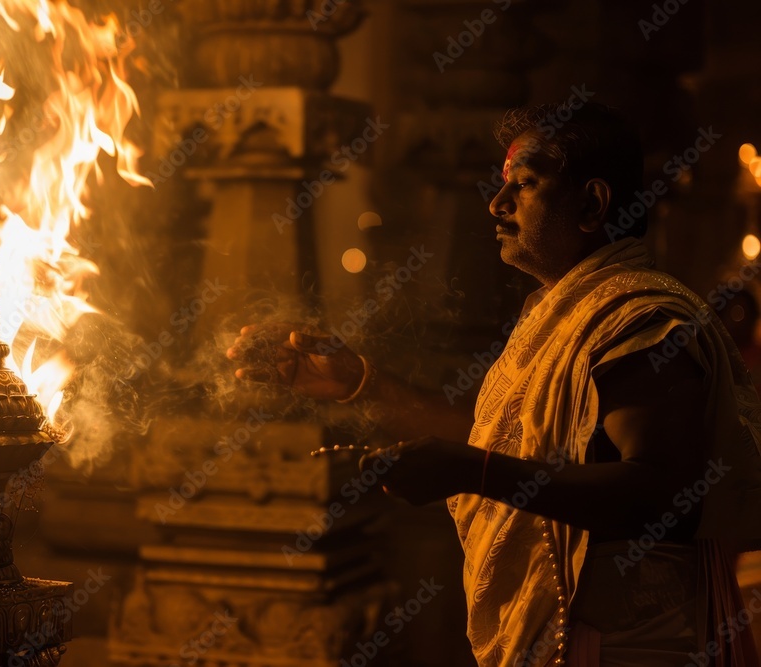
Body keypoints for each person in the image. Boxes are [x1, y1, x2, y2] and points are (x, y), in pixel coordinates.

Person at [227, 103, 761, 666]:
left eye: (524, 185)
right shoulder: (560, 316)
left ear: (592, 203)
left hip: (617, 645)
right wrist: (363, 384)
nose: (496, 204)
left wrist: (471, 473)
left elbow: (659, 494)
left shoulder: (640, 320)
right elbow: (505, 445)